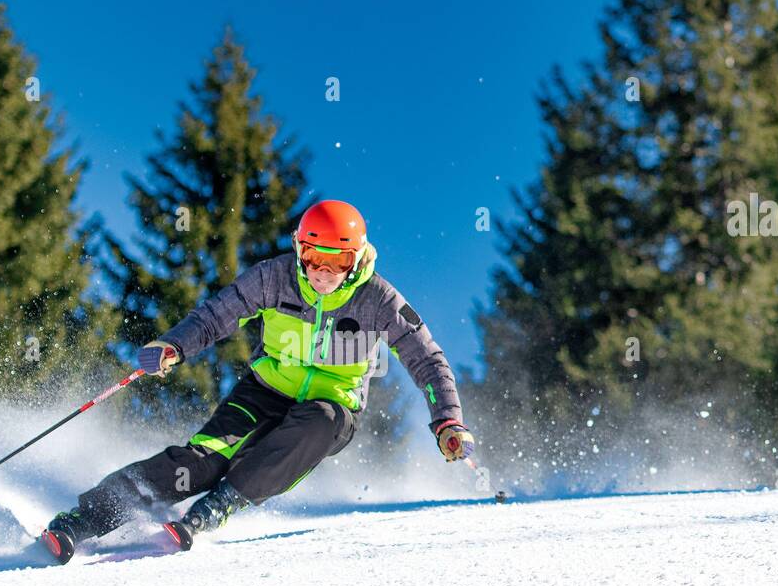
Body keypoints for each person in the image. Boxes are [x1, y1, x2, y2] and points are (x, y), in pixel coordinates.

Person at [40, 199, 475, 562]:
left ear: (357, 258)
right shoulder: (273, 277)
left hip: (333, 405)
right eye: (313, 257)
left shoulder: (378, 299)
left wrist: (447, 421)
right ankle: (85, 519)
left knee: (317, 422)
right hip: (264, 391)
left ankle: (220, 505)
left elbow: (427, 359)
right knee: (201, 462)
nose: (323, 272)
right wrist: (174, 347)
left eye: (337, 261)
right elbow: (216, 316)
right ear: (298, 249)